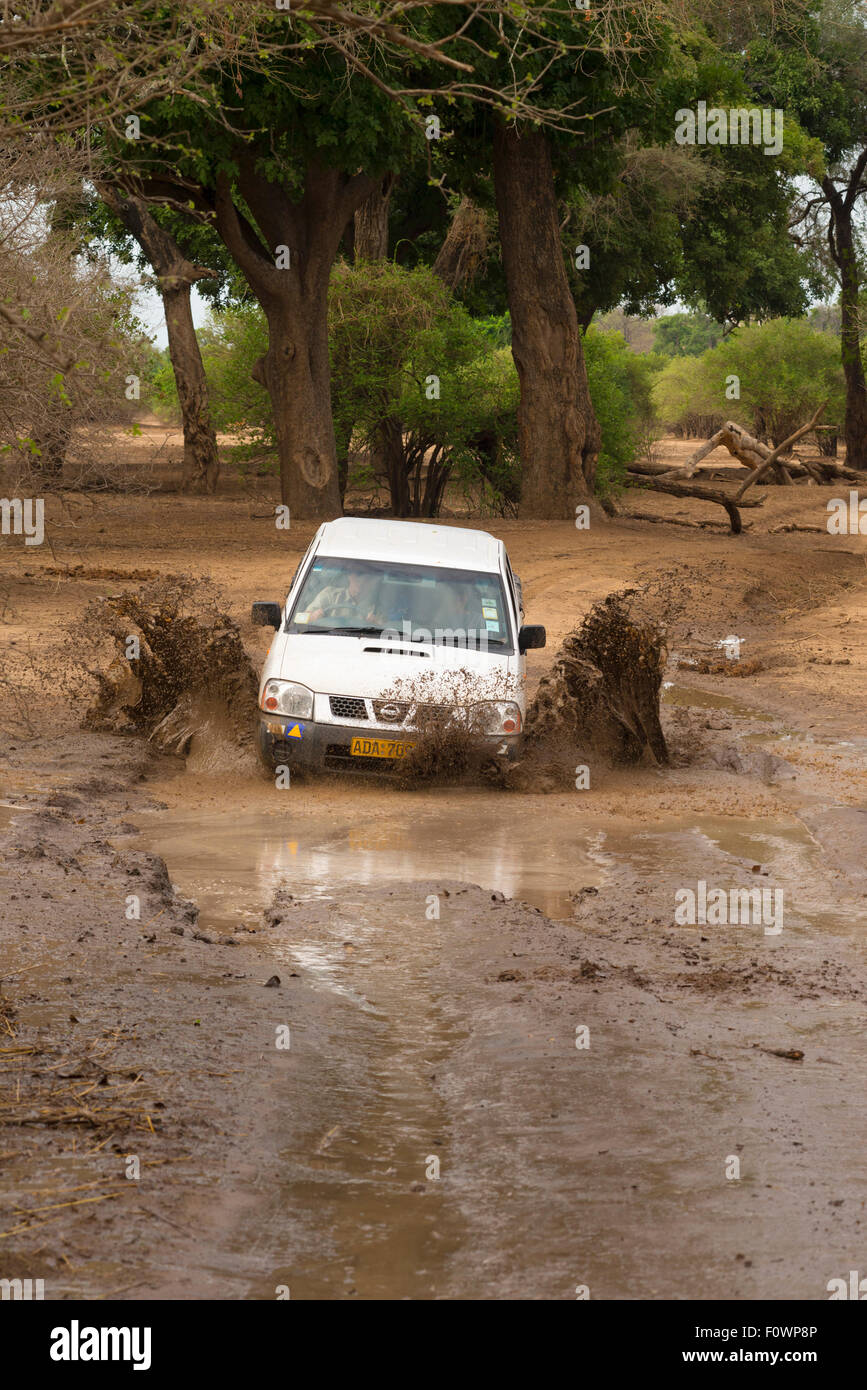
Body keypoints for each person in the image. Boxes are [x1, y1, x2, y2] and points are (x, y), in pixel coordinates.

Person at [307, 567, 383, 625]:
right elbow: (298, 618)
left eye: (367, 579)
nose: (362, 581)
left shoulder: (377, 609)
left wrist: (375, 624)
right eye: (358, 574)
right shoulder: (330, 595)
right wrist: (312, 617)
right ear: (349, 576)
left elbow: (384, 630)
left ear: (374, 583)